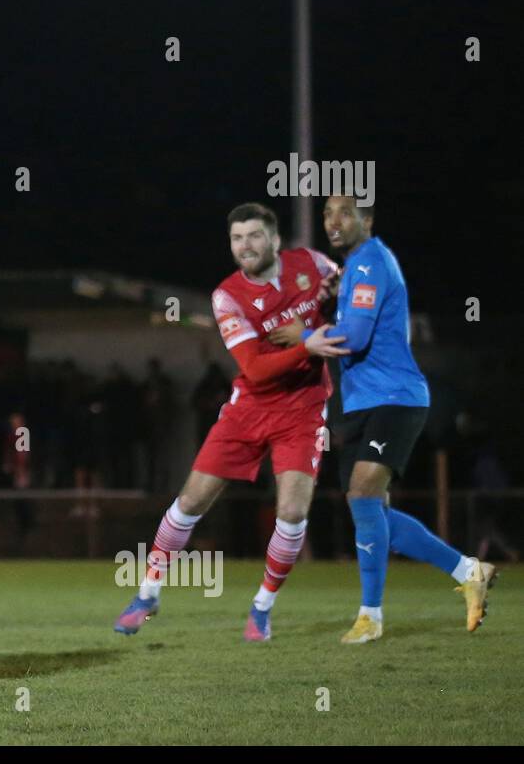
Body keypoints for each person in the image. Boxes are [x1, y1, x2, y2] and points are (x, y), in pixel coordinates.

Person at [115, 202, 346, 641]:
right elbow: (256, 369)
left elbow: (350, 302)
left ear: (275, 240)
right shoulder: (227, 297)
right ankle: (147, 593)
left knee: (293, 512)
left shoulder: (312, 265)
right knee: (191, 502)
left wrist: (328, 319)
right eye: (238, 238)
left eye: (255, 236)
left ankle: (261, 608)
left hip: (304, 409)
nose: (246, 246)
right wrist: (307, 345)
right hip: (249, 408)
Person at [304, 194, 496, 643]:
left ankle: (371, 617)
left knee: (363, 494)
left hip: (396, 398)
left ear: (367, 220)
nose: (333, 221)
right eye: (327, 214)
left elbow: (354, 336)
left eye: (345, 213)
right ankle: (470, 571)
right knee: (371, 514)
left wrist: (304, 335)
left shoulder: (371, 261)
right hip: (361, 404)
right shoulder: (353, 269)